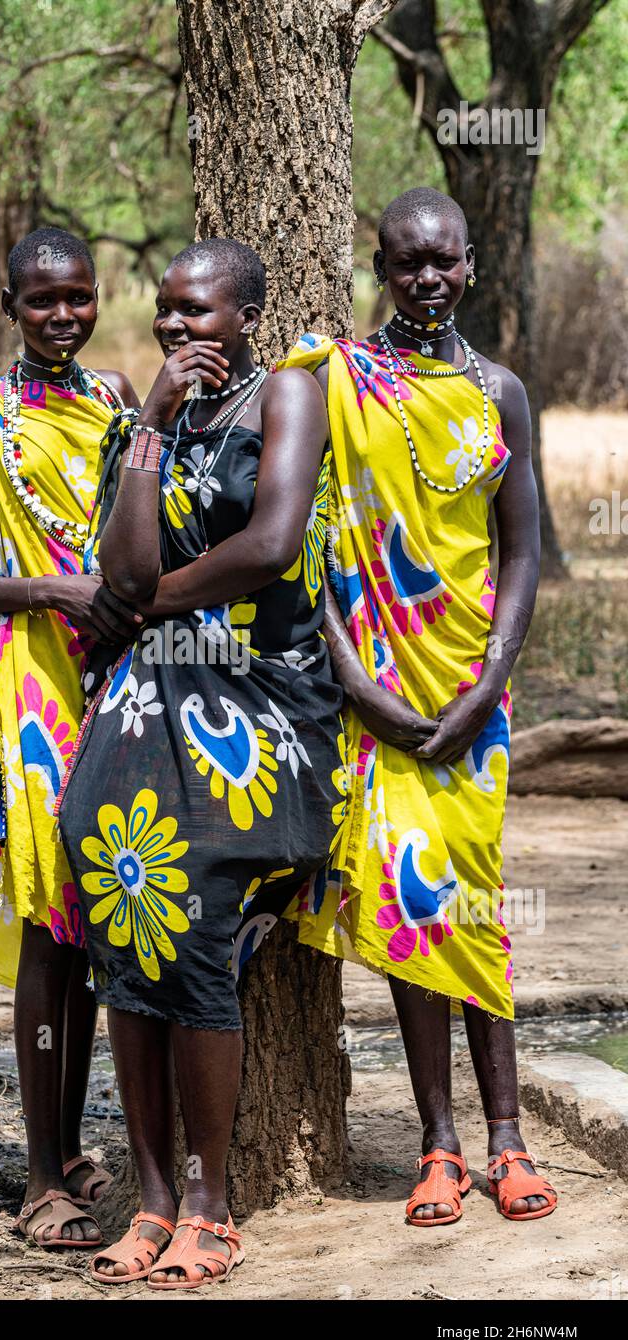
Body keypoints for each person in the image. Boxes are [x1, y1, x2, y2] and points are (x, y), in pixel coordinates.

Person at [55, 238, 346, 1287]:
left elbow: (270, 545)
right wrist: (149, 428)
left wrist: (151, 604)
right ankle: (151, 1194)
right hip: (156, 684)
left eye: (201, 313)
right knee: (107, 851)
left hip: (265, 693)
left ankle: (211, 1196)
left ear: (249, 317)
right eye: (168, 313)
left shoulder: (291, 398)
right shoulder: (147, 427)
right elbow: (119, 567)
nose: (179, 330)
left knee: (186, 885)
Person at [279, 187, 557, 1225]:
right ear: (381, 268)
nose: (427, 279)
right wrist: (354, 682)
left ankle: (509, 1135)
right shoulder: (334, 380)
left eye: (444, 262)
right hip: (370, 693)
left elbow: (524, 550)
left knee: (474, 903)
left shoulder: (501, 393)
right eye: (407, 264)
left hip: (473, 696)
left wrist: (490, 675)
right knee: (409, 904)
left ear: (471, 264)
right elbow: (301, 545)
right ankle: (440, 1143)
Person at [0, 227, 142, 1250]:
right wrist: (49, 587)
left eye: (78, 297)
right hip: (23, 684)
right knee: (50, 924)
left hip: (106, 678)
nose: (62, 315)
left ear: (98, 299)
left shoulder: (114, 402)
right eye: (41, 300)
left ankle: (72, 1140)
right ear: (10, 305)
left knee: (90, 914)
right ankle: (41, 1174)